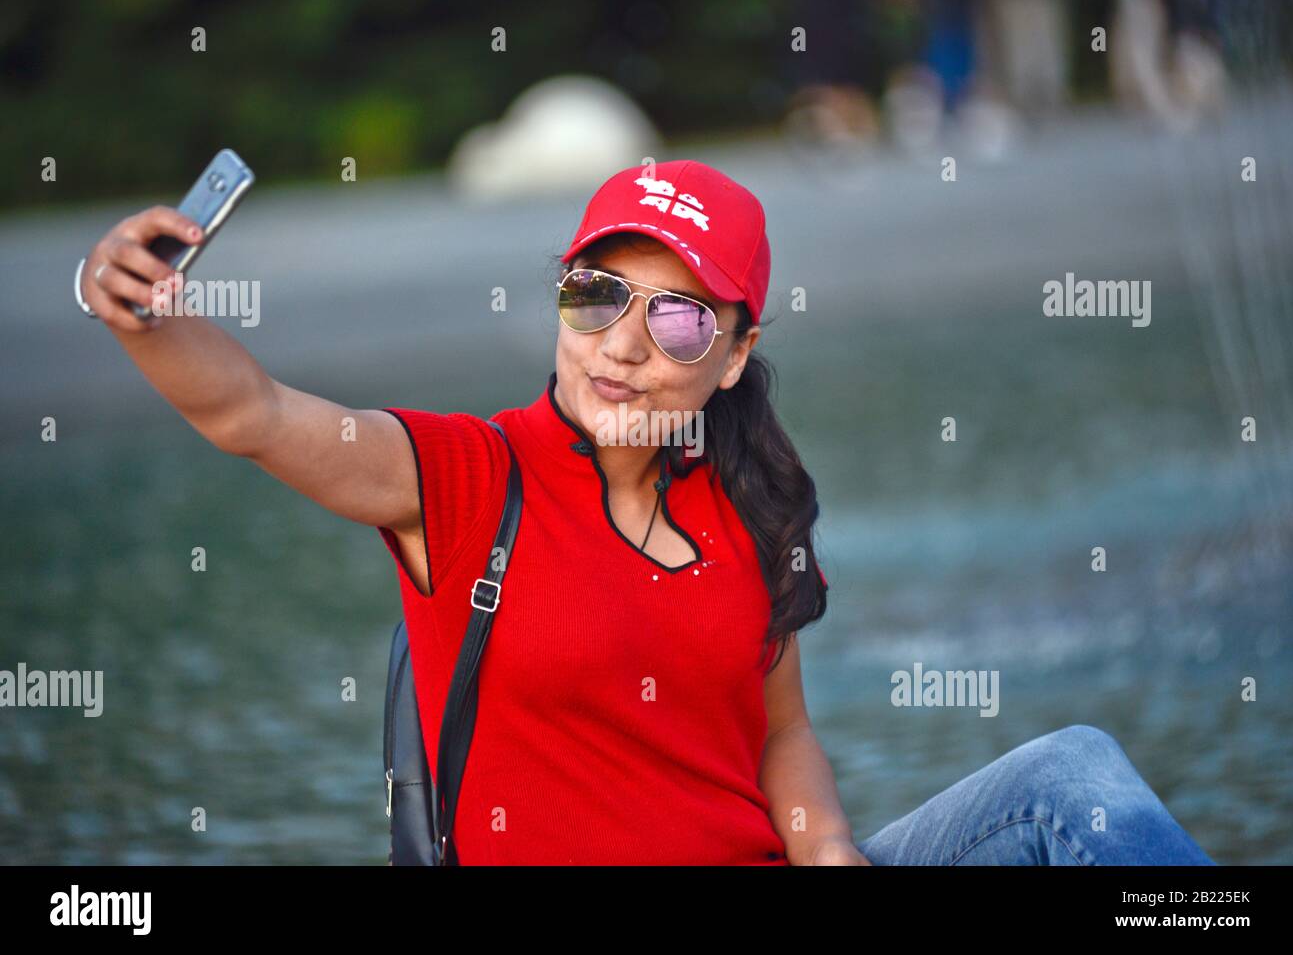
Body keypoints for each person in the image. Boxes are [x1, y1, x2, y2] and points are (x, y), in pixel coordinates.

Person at [76, 159, 1215, 865]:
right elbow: (256, 413)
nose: (622, 344)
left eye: (676, 321)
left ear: (733, 354)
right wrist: (135, 311)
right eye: (596, 294)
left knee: (1071, 775)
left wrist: (826, 853)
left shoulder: (751, 505)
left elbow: (780, 734)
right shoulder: (468, 477)